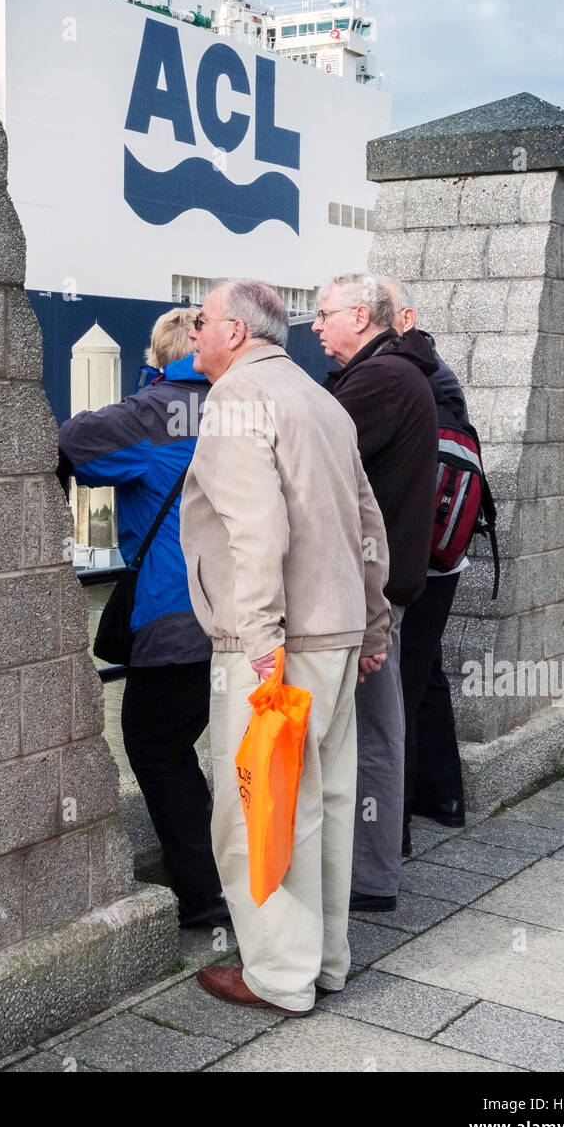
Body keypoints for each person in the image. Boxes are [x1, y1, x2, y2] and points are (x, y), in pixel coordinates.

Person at [180, 279, 390, 1016]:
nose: (193, 331)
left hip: (275, 642)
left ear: (236, 331)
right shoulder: (322, 400)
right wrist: (373, 624)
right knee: (324, 803)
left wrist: (262, 636)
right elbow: (368, 522)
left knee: (258, 809)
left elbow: (256, 527)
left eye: (201, 319)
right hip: (335, 633)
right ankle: (325, 960)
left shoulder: (238, 397)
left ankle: (277, 975)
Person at [58, 308, 225, 928]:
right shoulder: (239, 408)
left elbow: (70, 442)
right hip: (243, 616)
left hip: (175, 611)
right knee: (206, 742)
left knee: (155, 746)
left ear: (157, 359)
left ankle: (206, 896)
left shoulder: (155, 412)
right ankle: (240, 876)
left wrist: (147, 387)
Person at [313, 273, 437, 908]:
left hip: (369, 593)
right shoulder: (399, 372)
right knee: (377, 731)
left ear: (360, 316)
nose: (315, 325)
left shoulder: (381, 379)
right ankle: (371, 871)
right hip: (384, 586)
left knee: (369, 736)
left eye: (324, 313)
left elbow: (307, 457)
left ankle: (366, 878)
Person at [381, 278, 469, 843]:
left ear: (405, 318)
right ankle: (444, 795)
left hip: (413, 555)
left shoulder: (404, 376)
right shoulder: (439, 373)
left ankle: (397, 825)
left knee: (401, 686)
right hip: (445, 553)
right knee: (425, 673)